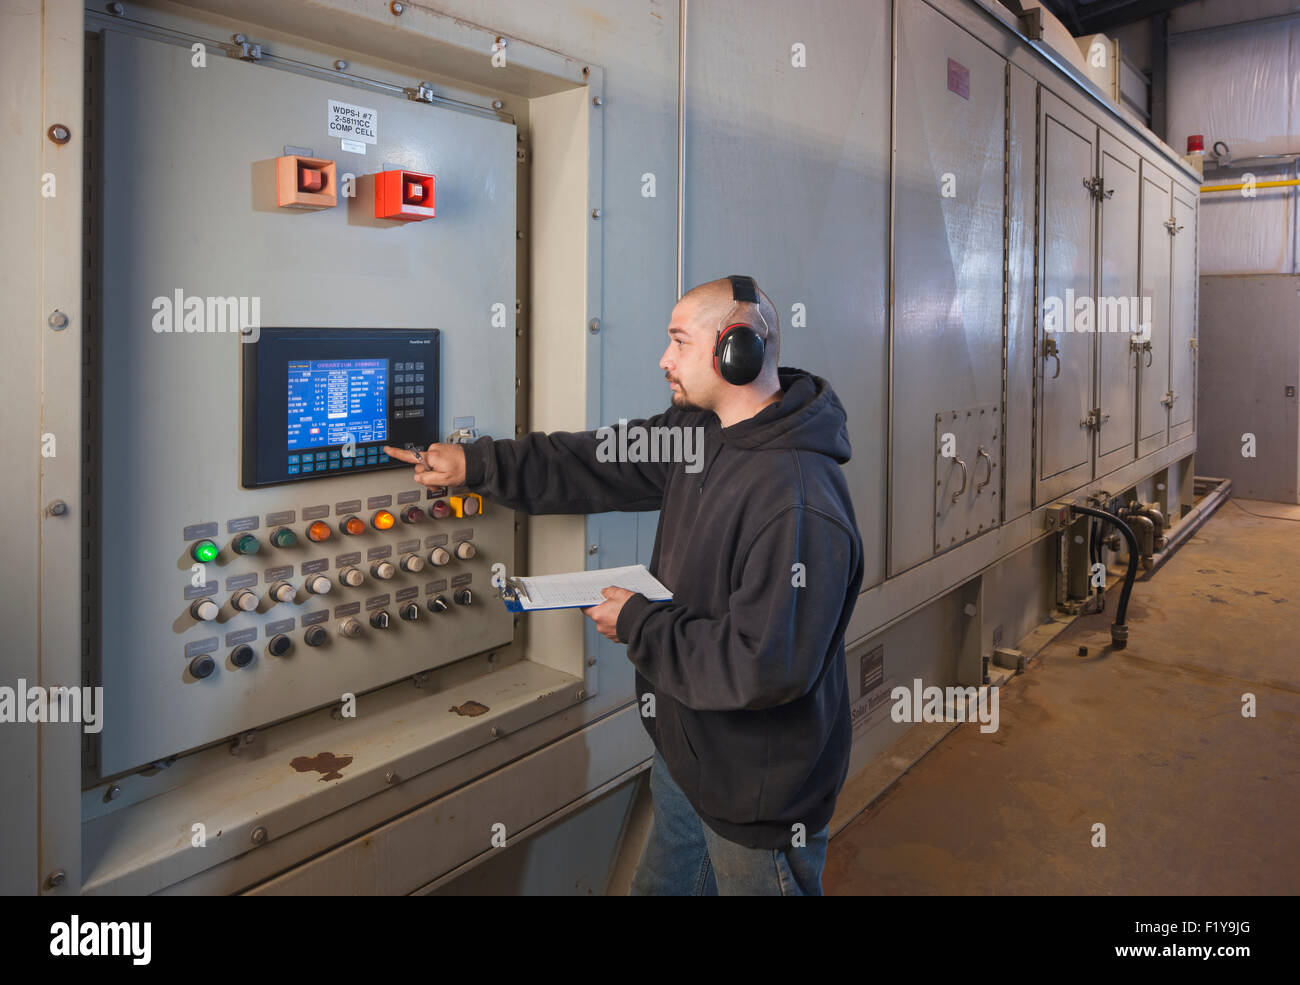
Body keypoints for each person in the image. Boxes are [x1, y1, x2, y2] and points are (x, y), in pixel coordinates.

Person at [384, 275, 864, 895]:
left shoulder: (796, 499)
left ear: (734, 351)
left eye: (679, 342)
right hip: (687, 748)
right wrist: (477, 465)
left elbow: (764, 666)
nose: (664, 360)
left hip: (756, 788)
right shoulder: (700, 433)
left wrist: (638, 622)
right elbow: (599, 459)